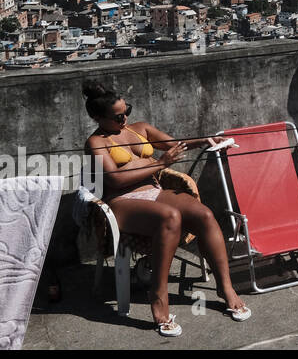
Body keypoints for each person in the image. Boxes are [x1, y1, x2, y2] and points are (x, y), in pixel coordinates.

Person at [83, 81, 250, 337]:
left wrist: (207, 140)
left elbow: (175, 144)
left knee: (203, 214)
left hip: (155, 192)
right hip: (122, 202)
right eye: (118, 116)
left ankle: (225, 287)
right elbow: (115, 180)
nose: (125, 118)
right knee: (170, 217)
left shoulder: (140, 128)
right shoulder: (95, 142)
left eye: (126, 110)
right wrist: (160, 164)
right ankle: (158, 297)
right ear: (97, 117)